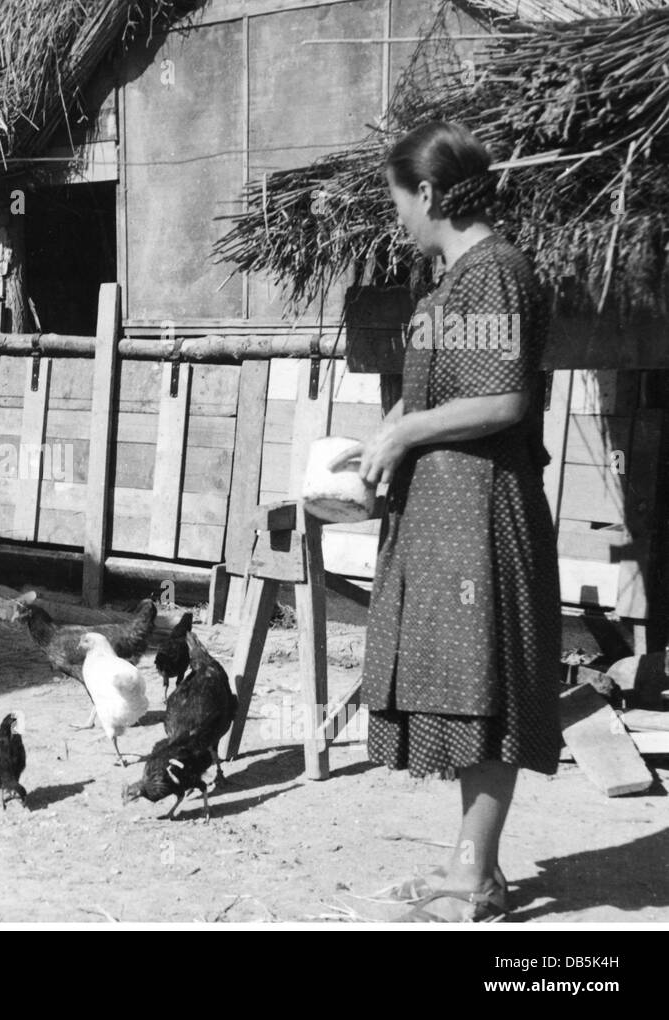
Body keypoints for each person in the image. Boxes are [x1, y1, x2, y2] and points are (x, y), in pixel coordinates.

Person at [342, 121, 561, 922]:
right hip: (444, 514)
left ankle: (476, 874)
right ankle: (471, 868)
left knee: (488, 691)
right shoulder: (448, 285)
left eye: (399, 201)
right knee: (467, 687)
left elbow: (506, 398)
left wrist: (405, 431)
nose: (398, 216)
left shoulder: (496, 271)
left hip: (483, 513)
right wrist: (388, 431)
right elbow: (448, 391)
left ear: (428, 194)